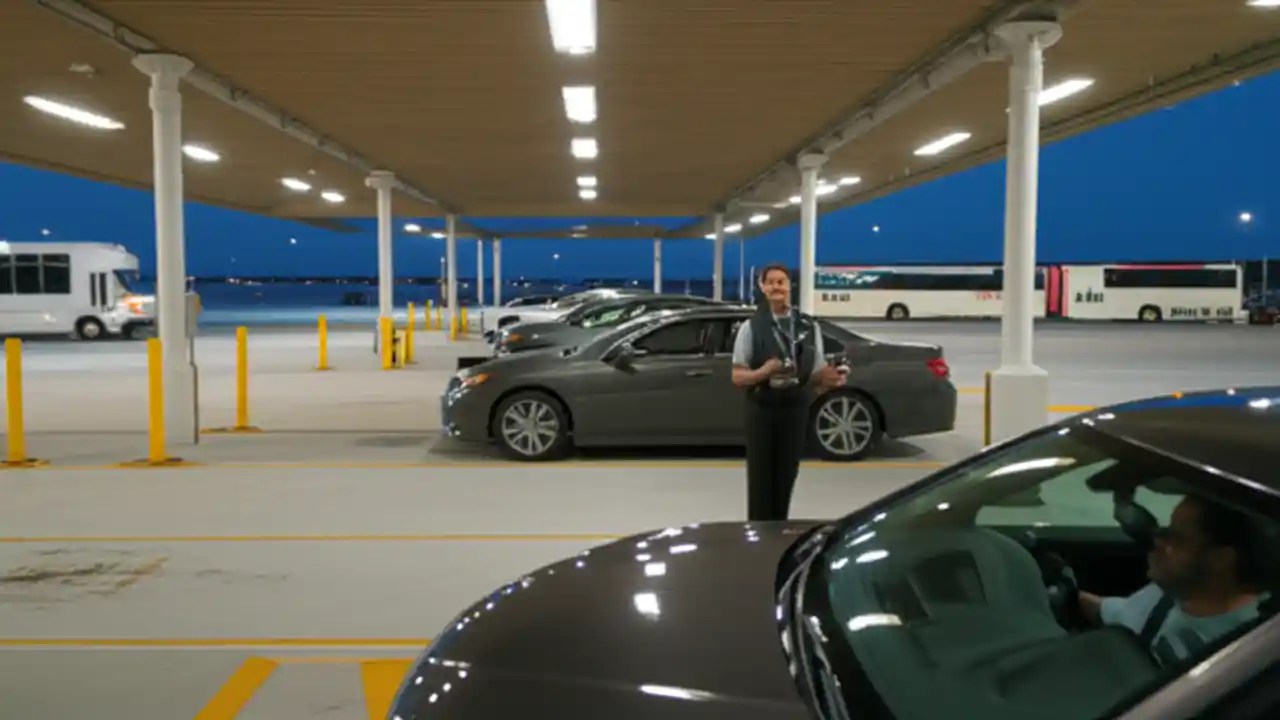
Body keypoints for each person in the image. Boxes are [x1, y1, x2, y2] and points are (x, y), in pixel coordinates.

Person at [1078, 494, 1270, 666]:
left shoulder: (1251, 646)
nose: (1158, 543)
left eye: (1177, 540)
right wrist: (1066, 595)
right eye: (1165, 533)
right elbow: (1115, 614)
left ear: (1221, 558)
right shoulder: (1169, 593)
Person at [731, 264, 846, 521]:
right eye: (770, 282)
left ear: (789, 286)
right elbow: (737, 377)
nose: (776, 287)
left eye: (781, 281)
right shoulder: (751, 328)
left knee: (786, 475)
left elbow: (816, 373)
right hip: (762, 409)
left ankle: (778, 529)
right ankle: (759, 533)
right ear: (762, 287)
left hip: (795, 408)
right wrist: (764, 372)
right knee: (761, 480)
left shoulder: (807, 326)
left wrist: (830, 378)